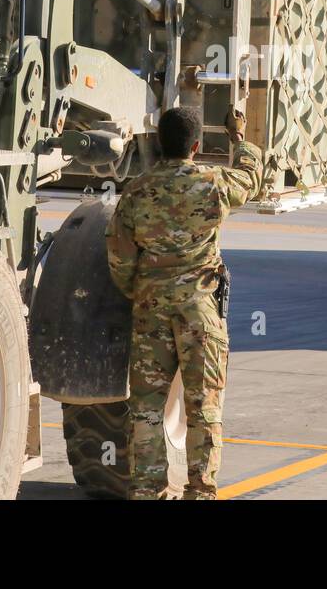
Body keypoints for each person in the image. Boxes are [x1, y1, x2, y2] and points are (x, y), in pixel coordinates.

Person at [106, 105, 263, 499]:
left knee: (146, 409)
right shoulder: (212, 182)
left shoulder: (136, 191)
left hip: (151, 309)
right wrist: (238, 137)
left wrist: (141, 291)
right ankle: (201, 491)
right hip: (200, 313)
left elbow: (120, 258)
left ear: (159, 143)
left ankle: (148, 490)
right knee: (204, 408)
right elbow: (251, 177)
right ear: (196, 145)